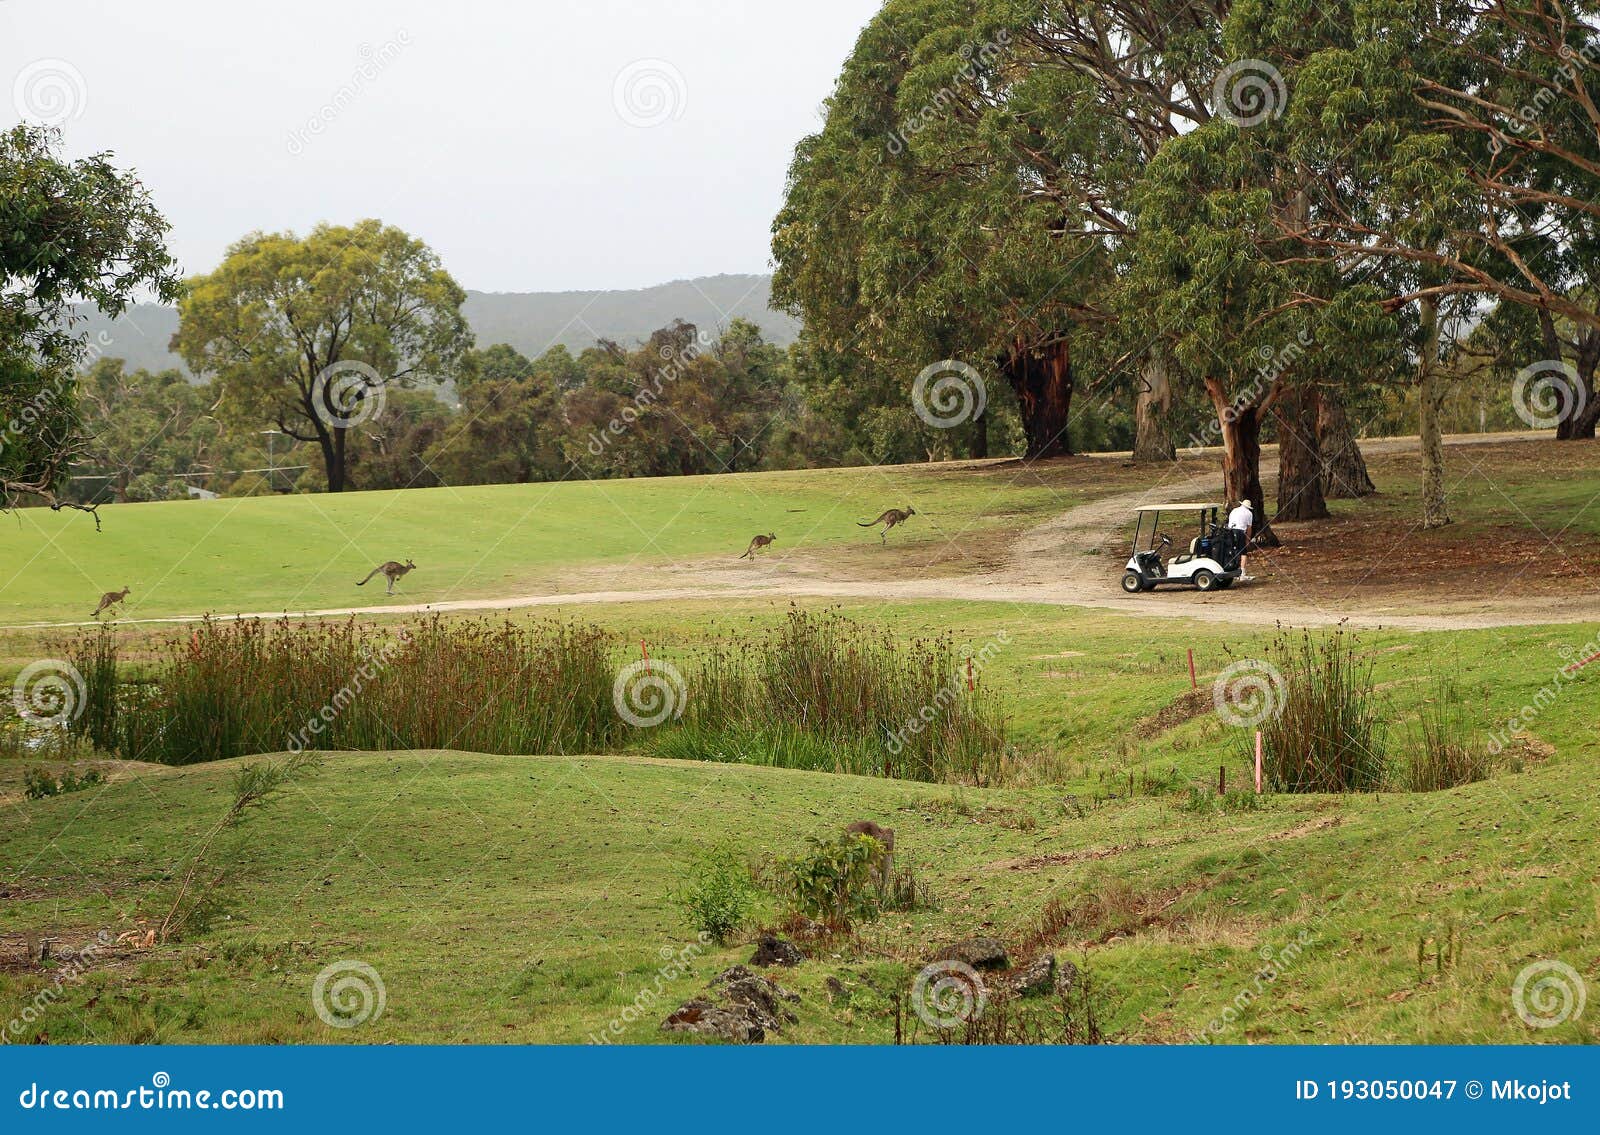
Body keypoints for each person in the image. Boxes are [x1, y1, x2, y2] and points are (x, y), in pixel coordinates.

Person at [1226, 499, 1255, 581]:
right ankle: (1242, 573)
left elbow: (1229, 522)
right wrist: (1248, 540)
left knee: (1233, 550)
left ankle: (1232, 570)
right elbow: (1249, 528)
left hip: (1230, 531)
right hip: (1240, 532)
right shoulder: (1249, 513)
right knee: (1243, 552)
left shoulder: (1234, 510)